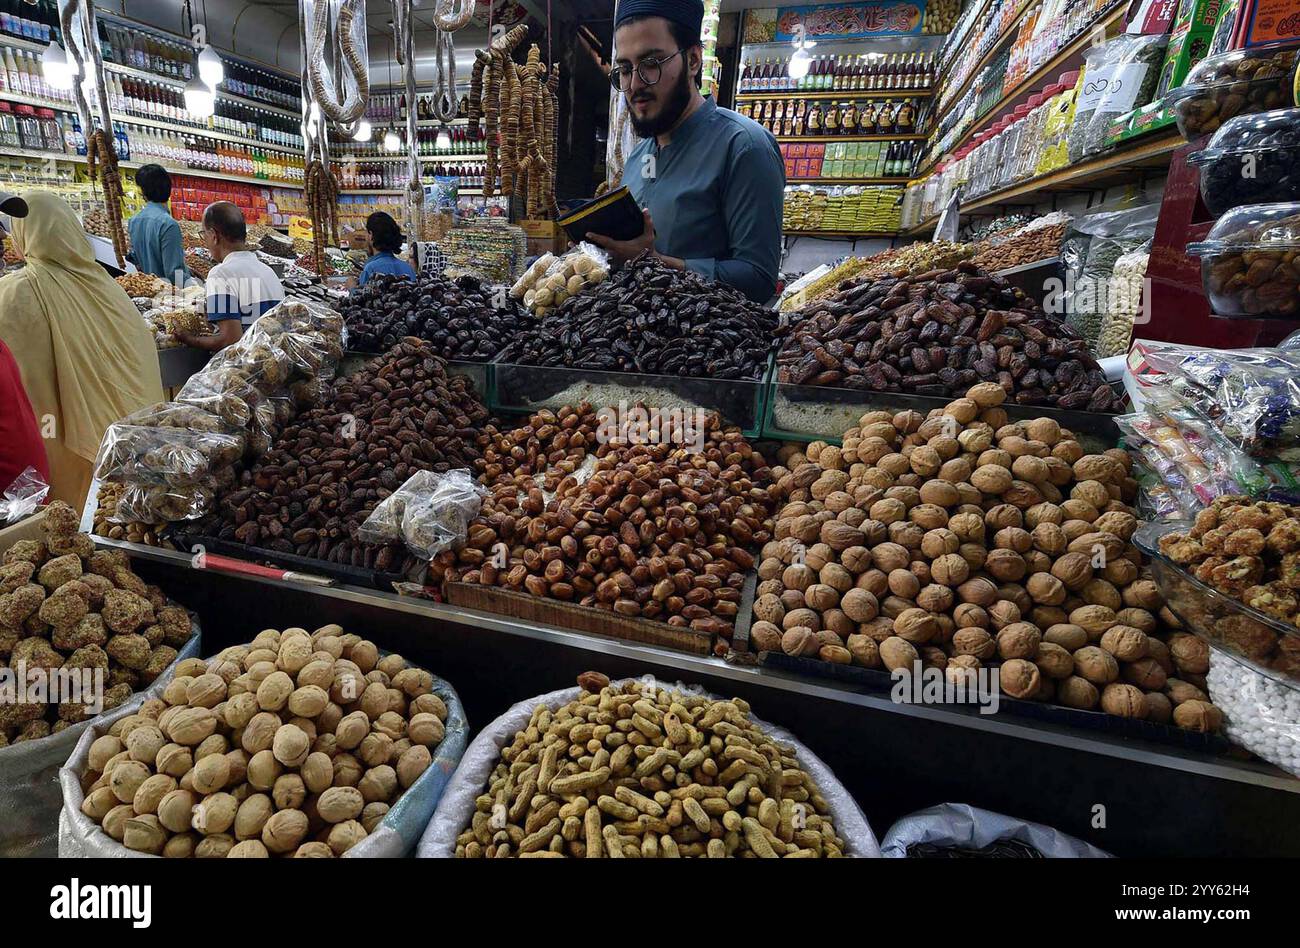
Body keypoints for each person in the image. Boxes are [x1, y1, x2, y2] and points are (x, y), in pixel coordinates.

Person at [586, 0, 785, 303]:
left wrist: (653, 263)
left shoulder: (745, 146)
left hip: (711, 344)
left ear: (693, 60)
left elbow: (758, 279)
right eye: (625, 69)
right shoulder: (640, 156)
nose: (635, 84)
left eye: (651, 63)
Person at [0, 190, 163, 510]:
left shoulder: (16, 292)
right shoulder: (108, 286)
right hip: (131, 445)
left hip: (57, 437)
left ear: (23, 234)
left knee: (73, 520)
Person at [176, 201, 285, 352]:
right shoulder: (268, 271)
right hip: (275, 362)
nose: (205, 241)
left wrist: (189, 339)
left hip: (247, 368)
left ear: (214, 236)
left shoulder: (220, 274)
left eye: (204, 234)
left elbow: (230, 340)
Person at [126, 164, 189, 285]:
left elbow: (135, 258)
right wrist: (196, 288)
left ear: (143, 193)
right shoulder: (169, 224)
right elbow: (174, 272)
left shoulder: (133, 221)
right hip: (169, 294)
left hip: (148, 288)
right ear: (169, 189)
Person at [357, 212, 418, 286]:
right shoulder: (408, 268)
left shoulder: (370, 269)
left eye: (366, 233)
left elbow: (364, 296)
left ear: (371, 235)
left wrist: (352, 288)